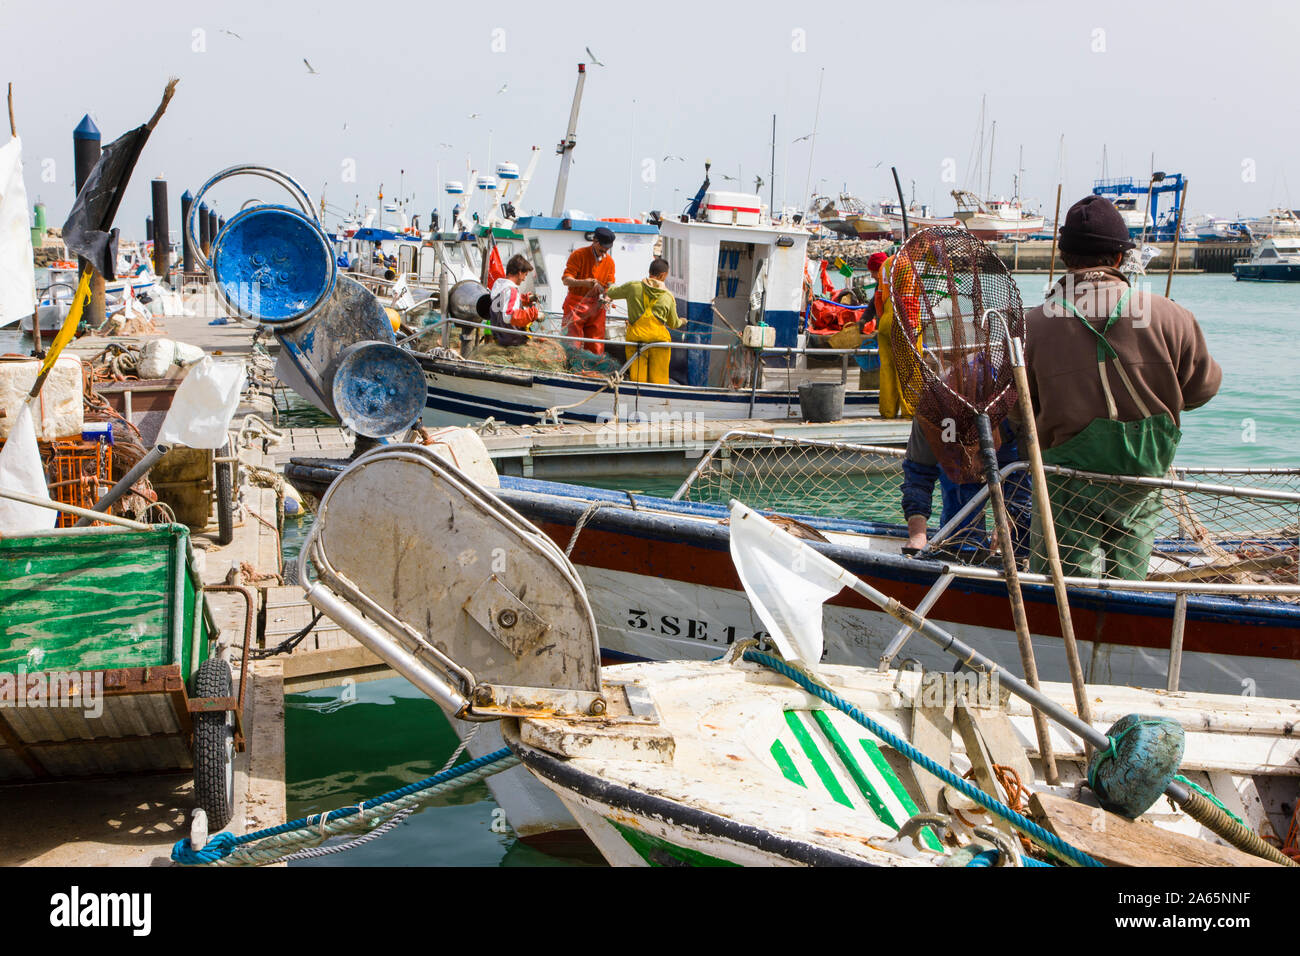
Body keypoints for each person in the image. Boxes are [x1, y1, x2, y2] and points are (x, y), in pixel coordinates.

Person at [1025, 194, 1222, 580]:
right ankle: (1126, 624)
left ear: (1065, 257)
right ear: (1119, 258)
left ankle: (1063, 629)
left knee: (1061, 579)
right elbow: (1202, 388)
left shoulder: (1034, 323)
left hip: (1067, 477)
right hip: (1142, 472)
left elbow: (1019, 409)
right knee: (1129, 575)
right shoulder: (1170, 313)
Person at [901, 416, 1031, 557]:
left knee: (1021, 532)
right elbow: (918, 473)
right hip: (958, 471)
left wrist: (1009, 520)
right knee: (962, 539)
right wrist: (917, 534)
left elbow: (1026, 472)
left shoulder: (1012, 410)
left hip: (1012, 455)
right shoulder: (929, 413)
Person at [605, 257, 682, 383]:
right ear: (663, 275)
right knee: (659, 381)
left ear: (650, 271)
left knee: (638, 381)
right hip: (659, 343)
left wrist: (609, 284)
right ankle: (658, 401)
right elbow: (673, 324)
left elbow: (612, 292)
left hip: (636, 342)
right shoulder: (668, 296)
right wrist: (682, 321)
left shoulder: (633, 287)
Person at [876, 251, 923, 418]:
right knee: (909, 367)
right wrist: (912, 328)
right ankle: (910, 412)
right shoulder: (908, 264)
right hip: (904, 321)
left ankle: (887, 411)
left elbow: (878, 297)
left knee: (887, 367)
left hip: (886, 320)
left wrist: (884, 319)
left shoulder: (886, 264)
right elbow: (908, 297)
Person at [561, 225, 617, 355]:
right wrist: (583, 283)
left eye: (607, 249)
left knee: (596, 343)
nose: (604, 252)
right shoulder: (578, 255)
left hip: (597, 306)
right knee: (572, 342)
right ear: (594, 241)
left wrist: (607, 298)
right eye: (602, 249)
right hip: (575, 304)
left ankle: (594, 370)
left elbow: (610, 286)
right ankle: (570, 366)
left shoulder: (610, 262)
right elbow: (565, 279)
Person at [488, 254, 539, 348]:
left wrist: (524, 300)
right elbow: (508, 316)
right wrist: (535, 314)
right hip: (513, 343)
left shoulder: (500, 289)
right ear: (519, 272)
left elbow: (503, 306)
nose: (524, 279)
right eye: (525, 275)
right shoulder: (511, 290)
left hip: (500, 340)